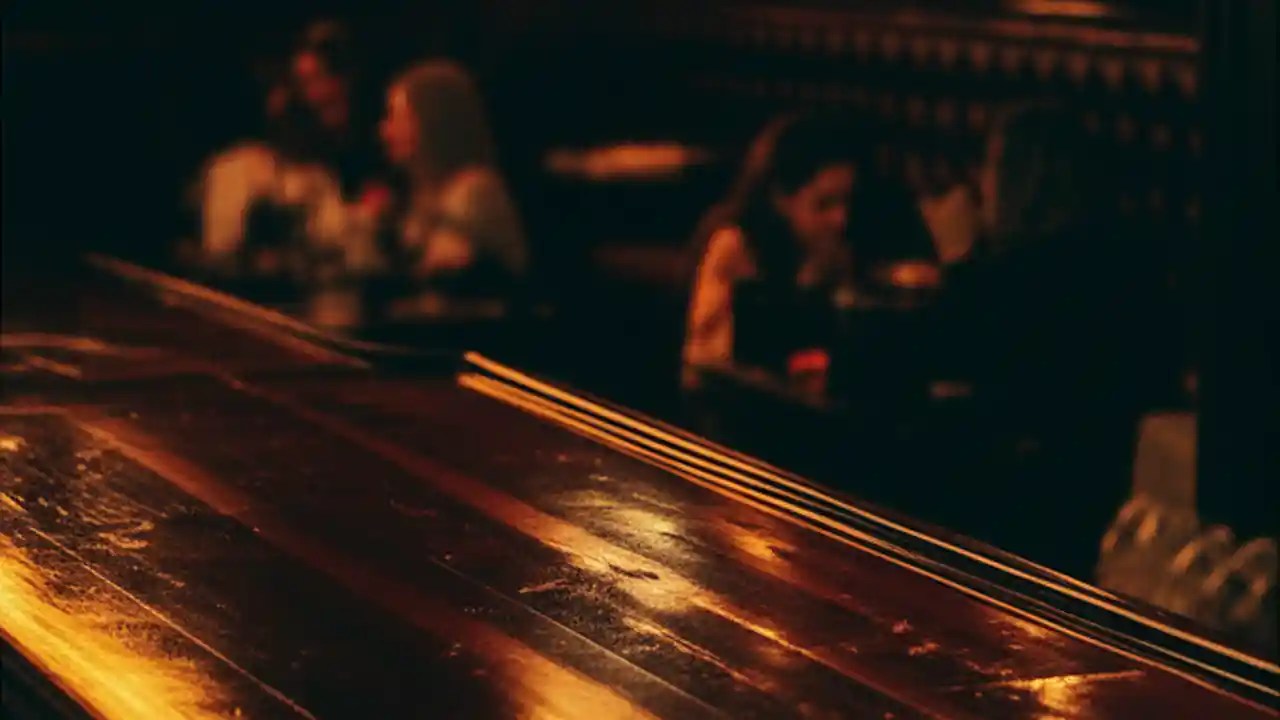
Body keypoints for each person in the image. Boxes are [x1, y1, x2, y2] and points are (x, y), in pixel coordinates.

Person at [683, 114, 929, 387]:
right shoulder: (737, 244)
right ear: (781, 199)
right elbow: (707, 359)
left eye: (846, 201)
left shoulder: (835, 246)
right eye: (823, 204)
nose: (840, 218)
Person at [198, 20, 388, 276]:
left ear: (348, 80)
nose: (314, 94)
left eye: (323, 76)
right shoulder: (253, 165)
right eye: (303, 83)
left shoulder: (377, 147)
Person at [377, 59, 527, 288]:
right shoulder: (427, 191)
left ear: (433, 122)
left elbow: (440, 270)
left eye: (398, 118)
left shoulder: (475, 190)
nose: (386, 130)